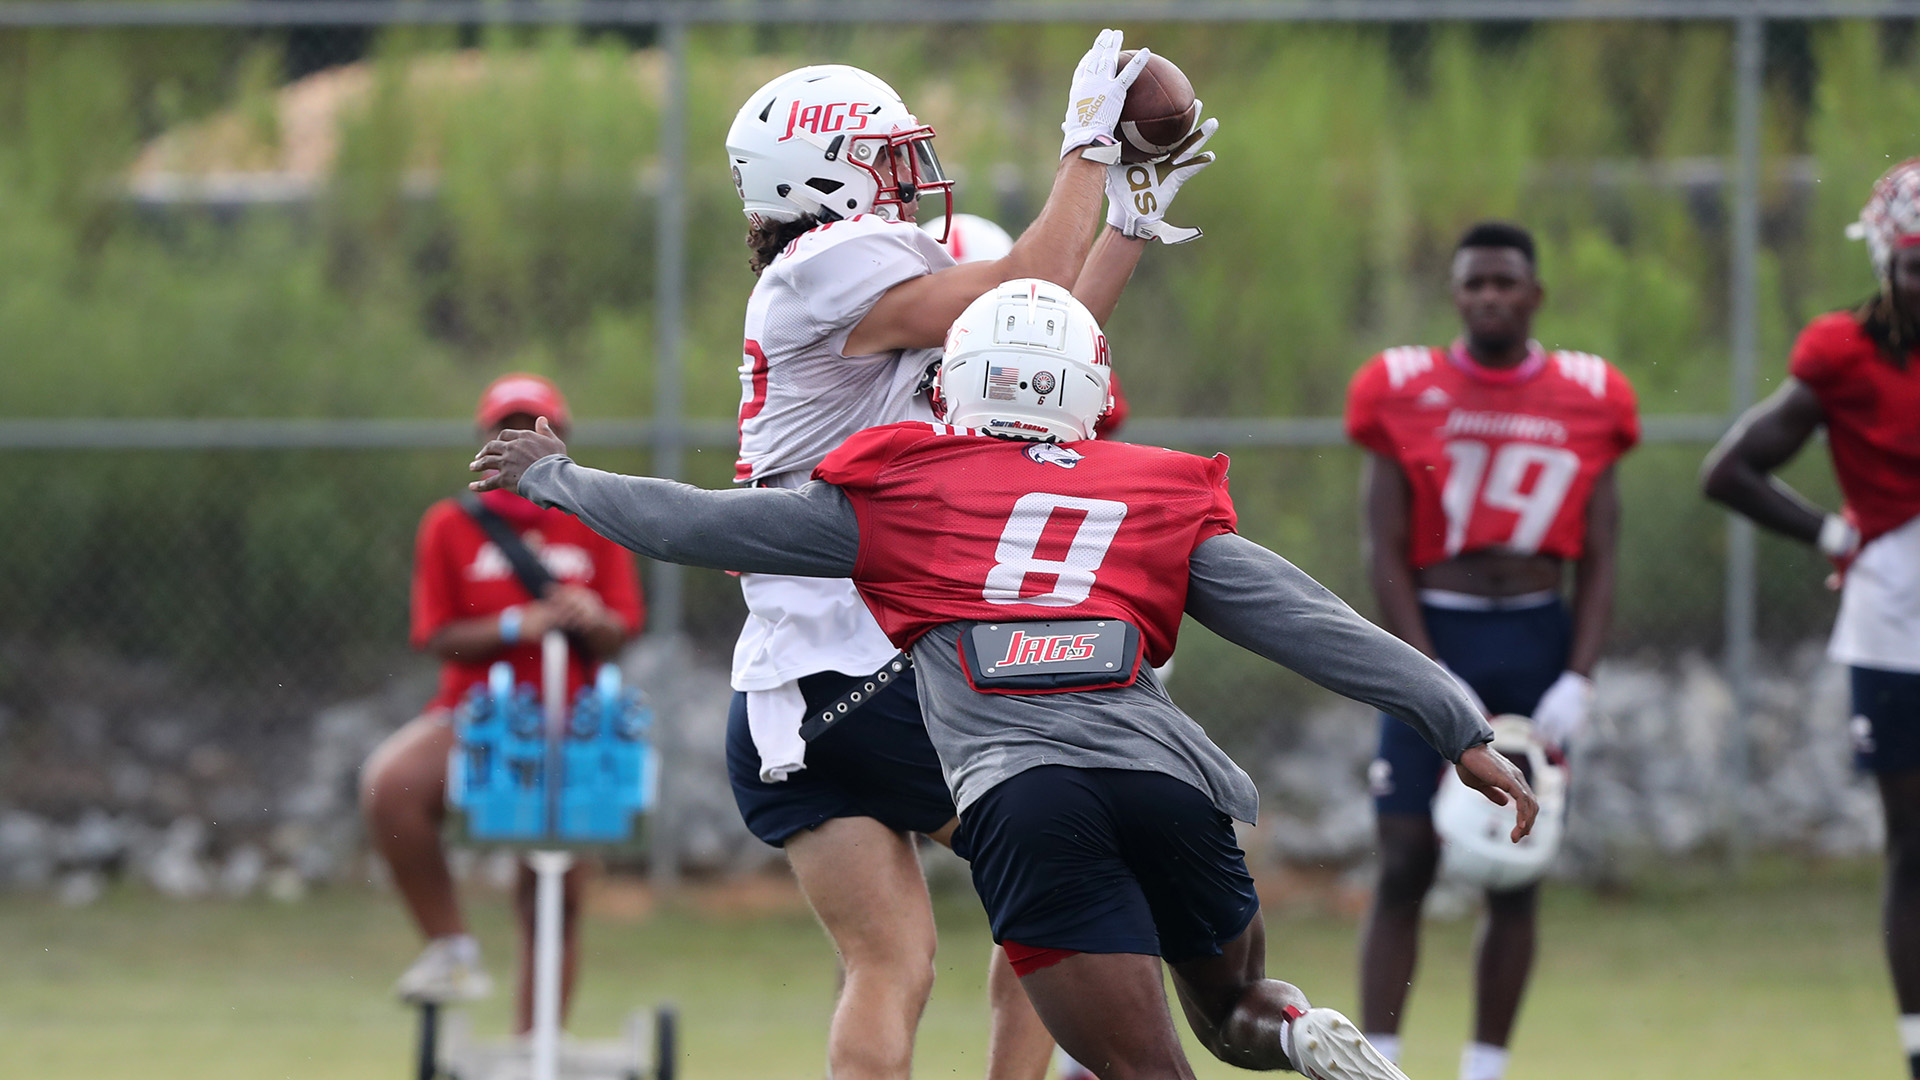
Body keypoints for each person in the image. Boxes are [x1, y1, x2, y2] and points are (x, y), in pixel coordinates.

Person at [472, 280, 1537, 1080]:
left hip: (1028, 797)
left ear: (954, 377)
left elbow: (698, 523)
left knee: (1146, 1070)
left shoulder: (901, 489)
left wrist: (557, 477)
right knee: (1234, 1012)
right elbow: (1305, 617)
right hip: (1171, 780)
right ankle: (1304, 1030)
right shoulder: (1148, 491)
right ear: (1092, 386)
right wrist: (1454, 722)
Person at [719, 31, 1214, 1080]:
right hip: (876, 670)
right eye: (886, 155)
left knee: (889, 964)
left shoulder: (850, 289)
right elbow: (1030, 276)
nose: (909, 174)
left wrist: (1125, 218)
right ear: (825, 173)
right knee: (1067, 869)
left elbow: (1051, 338)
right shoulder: (830, 264)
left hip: (788, 691)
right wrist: (1088, 143)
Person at [1344, 222, 1639, 1080]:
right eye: (1474, 284)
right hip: (1432, 627)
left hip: (1538, 636)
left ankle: (1484, 1069)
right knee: (1405, 859)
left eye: (1506, 283)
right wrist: (1425, 667)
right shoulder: (1401, 386)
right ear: (1455, 294)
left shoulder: (1590, 393)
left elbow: (1604, 550)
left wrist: (1580, 673)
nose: (1490, 298)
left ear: (1534, 294)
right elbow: (1383, 548)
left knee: (1518, 865)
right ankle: (1381, 1059)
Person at [1703, 160, 1920, 1080]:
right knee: (1915, 842)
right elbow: (1730, 470)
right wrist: (1837, 532)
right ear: (1885, 262)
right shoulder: (1844, 351)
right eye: (1915, 266)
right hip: (1894, 613)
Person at [360, 373, 644, 1031]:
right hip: (478, 716)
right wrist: (520, 625)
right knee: (391, 786)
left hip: (570, 723)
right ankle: (451, 947)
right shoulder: (451, 525)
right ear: (483, 441)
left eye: (535, 427)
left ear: (562, 439)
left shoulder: (594, 514)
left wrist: (588, 615)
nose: (517, 440)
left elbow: (620, 633)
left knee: (555, 889)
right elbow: (436, 637)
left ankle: (535, 1044)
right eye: (504, 428)